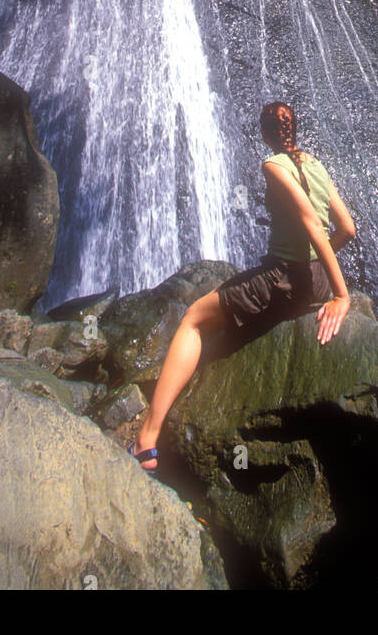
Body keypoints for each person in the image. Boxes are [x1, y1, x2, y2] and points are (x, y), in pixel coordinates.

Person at [129, 101, 357, 470]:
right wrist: (325, 280)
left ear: (265, 134)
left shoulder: (273, 166)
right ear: (294, 128)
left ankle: (146, 441)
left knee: (193, 318)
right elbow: (346, 228)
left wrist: (343, 297)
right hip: (314, 282)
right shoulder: (316, 164)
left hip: (283, 280)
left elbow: (314, 227)